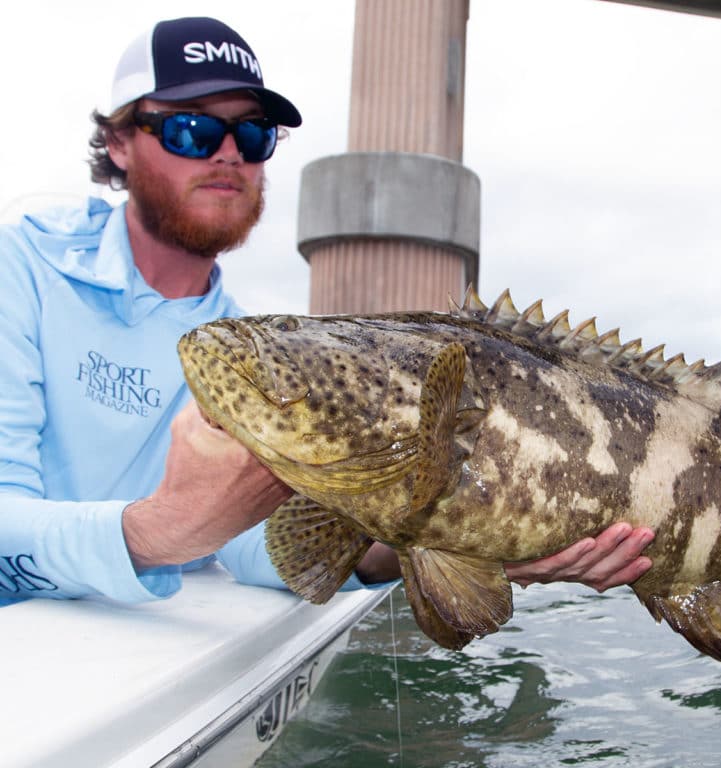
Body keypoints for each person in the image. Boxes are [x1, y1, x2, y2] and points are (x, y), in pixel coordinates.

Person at [0, 17, 653, 608]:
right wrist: (157, 533)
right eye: (191, 128)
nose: (227, 153)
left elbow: (251, 547)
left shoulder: (251, 358)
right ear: (118, 143)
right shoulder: (20, 267)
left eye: (252, 134)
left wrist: (473, 540)